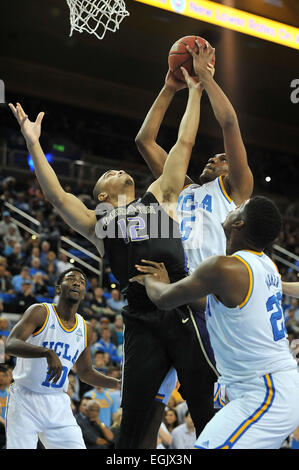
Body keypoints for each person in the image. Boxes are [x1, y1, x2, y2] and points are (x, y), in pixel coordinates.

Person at [9, 55, 217, 450]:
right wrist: (33, 143)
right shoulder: (98, 223)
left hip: (181, 307)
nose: (119, 170)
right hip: (140, 317)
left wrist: (190, 90)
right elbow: (55, 194)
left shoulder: (160, 197)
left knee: (204, 405)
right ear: (102, 195)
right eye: (108, 175)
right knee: (135, 422)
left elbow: (184, 142)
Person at [135, 39, 253, 420]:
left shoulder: (234, 190)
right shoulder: (183, 188)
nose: (214, 158)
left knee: (208, 408)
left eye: (220, 158)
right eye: (214, 156)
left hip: (205, 302)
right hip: (168, 293)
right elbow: (144, 140)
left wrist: (203, 80)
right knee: (149, 406)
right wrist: (170, 88)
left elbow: (229, 123)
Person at [131, 196, 299, 449]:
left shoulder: (224, 267)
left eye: (239, 207)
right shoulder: (266, 265)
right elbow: (210, 303)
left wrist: (155, 280)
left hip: (265, 391)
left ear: (239, 223)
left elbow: (164, 299)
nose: (232, 208)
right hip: (265, 386)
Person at [5, 267, 119, 449]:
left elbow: (85, 372)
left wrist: (117, 384)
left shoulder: (85, 328)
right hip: (25, 399)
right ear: (58, 288)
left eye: (82, 282)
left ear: (83, 293)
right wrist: (46, 352)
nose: (77, 283)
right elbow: (10, 344)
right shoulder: (40, 312)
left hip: (58, 402)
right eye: (71, 278)